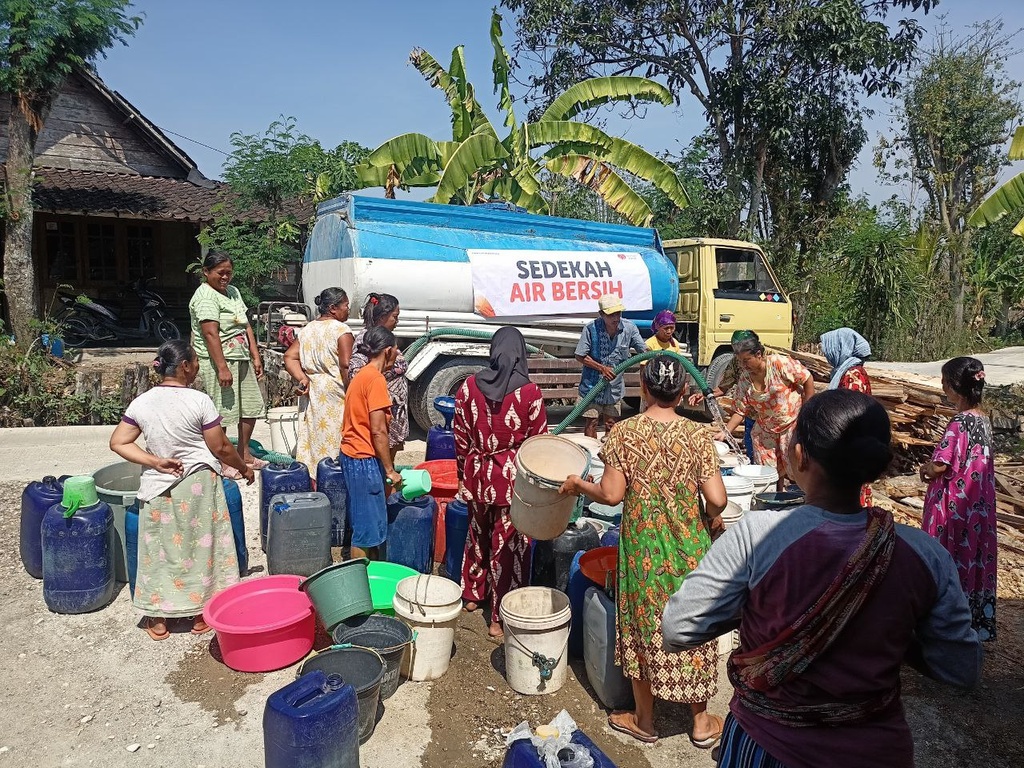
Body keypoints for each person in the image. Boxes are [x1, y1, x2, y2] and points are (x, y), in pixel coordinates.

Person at [663, 389, 982, 768]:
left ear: (799, 456)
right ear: (877, 466)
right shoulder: (925, 555)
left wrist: (758, 611)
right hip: (876, 752)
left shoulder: (758, 536)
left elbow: (678, 628)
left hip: (767, 747)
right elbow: (962, 668)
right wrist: (891, 631)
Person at [561, 354, 727, 747]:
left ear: (645, 388)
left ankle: (646, 721)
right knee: (693, 622)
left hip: (643, 549)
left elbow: (612, 494)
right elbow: (717, 499)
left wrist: (578, 485)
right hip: (690, 547)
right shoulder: (699, 435)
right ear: (684, 391)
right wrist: (711, 517)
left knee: (641, 623)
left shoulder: (625, 433)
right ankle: (701, 723)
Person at [109, 340, 255, 641]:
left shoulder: (143, 402)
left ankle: (159, 618)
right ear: (185, 366)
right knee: (201, 548)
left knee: (160, 551)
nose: (199, 366)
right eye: (196, 361)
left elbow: (119, 442)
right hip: (198, 485)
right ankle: (202, 614)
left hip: (158, 486)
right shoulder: (199, 401)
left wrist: (155, 461)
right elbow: (220, 447)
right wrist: (243, 467)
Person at [454, 327, 548, 640]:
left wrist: (462, 474)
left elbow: (460, 436)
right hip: (513, 481)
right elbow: (539, 445)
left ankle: (471, 595)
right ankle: (498, 617)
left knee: (477, 533)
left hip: (478, 474)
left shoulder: (469, 387)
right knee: (508, 548)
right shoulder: (530, 393)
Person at [920, 356, 998, 640]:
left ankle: (943, 624)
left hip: (954, 510)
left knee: (946, 560)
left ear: (955, 386)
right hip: (979, 511)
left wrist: (926, 469)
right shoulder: (984, 422)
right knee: (973, 560)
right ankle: (973, 622)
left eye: (944, 381)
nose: (942, 386)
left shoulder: (959, 422)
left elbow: (941, 464)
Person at [188, 252, 267, 471]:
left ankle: (244, 454)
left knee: (250, 407)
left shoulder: (233, 292)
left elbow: (246, 324)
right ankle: (224, 461)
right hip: (217, 361)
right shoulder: (205, 296)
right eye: (220, 273)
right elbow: (210, 334)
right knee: (221, 413)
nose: (225, 278)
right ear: (206, 272)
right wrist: (222, 367)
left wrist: (255, 355)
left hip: (241, 357)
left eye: (228, 273)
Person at [718, 332, 814, 489]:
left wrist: (807, 412)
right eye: (740, 362)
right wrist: (725, 432)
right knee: (770, 474)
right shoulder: (745, 379)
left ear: (758, 354)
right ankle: (775, 501)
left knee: (797, 470)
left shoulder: (778, 364)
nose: (743, 365)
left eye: (746, 360)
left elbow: (807, 378)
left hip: (791, 426)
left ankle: (800, 504)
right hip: (765, 432)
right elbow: (740, 410)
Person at [341, 326, 404, 560]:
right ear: (387, 351)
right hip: (362, 459)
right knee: (366, 531)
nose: (397, 355)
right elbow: (378, 431)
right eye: (396, 350)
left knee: (365, 520)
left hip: (352, 455)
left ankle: (371, 570)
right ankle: (362, 584)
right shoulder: (375, 380)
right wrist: (390, 470)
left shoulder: (361, 376)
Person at [284, 287, 354, 479]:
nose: (348, 309)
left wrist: (303, 378)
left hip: (315, 390)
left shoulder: (308, 329)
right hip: (335, 391)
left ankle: (314, 478)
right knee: (335, 437)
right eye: (346, 305)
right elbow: (346, 366)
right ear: (333, 308)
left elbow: (289, 356)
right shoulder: (342, 331)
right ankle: (334, 479)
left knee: (314, 436)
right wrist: (354, 394)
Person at [574, 293, 646, 439]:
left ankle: (609, 455)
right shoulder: (590, 329)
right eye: (611, 314)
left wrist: (653, 352)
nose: (615, 318)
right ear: (601, 314)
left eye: (618, 313)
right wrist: (602, 368)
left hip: (614, 387)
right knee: (591, 422)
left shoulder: (629, 328)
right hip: (592, 386)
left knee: (611, 423)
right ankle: (591, 453)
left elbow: (643, 349)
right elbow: (580, 355)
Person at [349, 293, 408, 458]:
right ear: (383, 316)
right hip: (379, 413)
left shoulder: (384, 336)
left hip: (391, 412)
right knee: (383, 462)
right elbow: (356, 373)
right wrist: (383, 373)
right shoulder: (367, 339)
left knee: (389, 461)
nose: (397, 321)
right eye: (395, 317)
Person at [687, 330, 759, 461]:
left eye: (746, 359)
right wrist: (704, 394)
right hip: (751, 416)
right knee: (753, 455)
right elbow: (724, 388)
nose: (742, 363)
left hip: (772, 420)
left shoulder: (773, 363)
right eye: (736, 351)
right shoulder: (736, 364)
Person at [821, 327, 874, 505]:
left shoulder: (853, 375)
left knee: (850, 492)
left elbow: (853, 414)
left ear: (840, 348)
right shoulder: (844, 372)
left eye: (828, 349)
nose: (825, 354)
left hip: (852, 445)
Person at [820, 327, 872, 393]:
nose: (826, 355)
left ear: (841, 349)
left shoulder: (852, 375)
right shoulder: (852, 371)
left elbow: (849, 402)